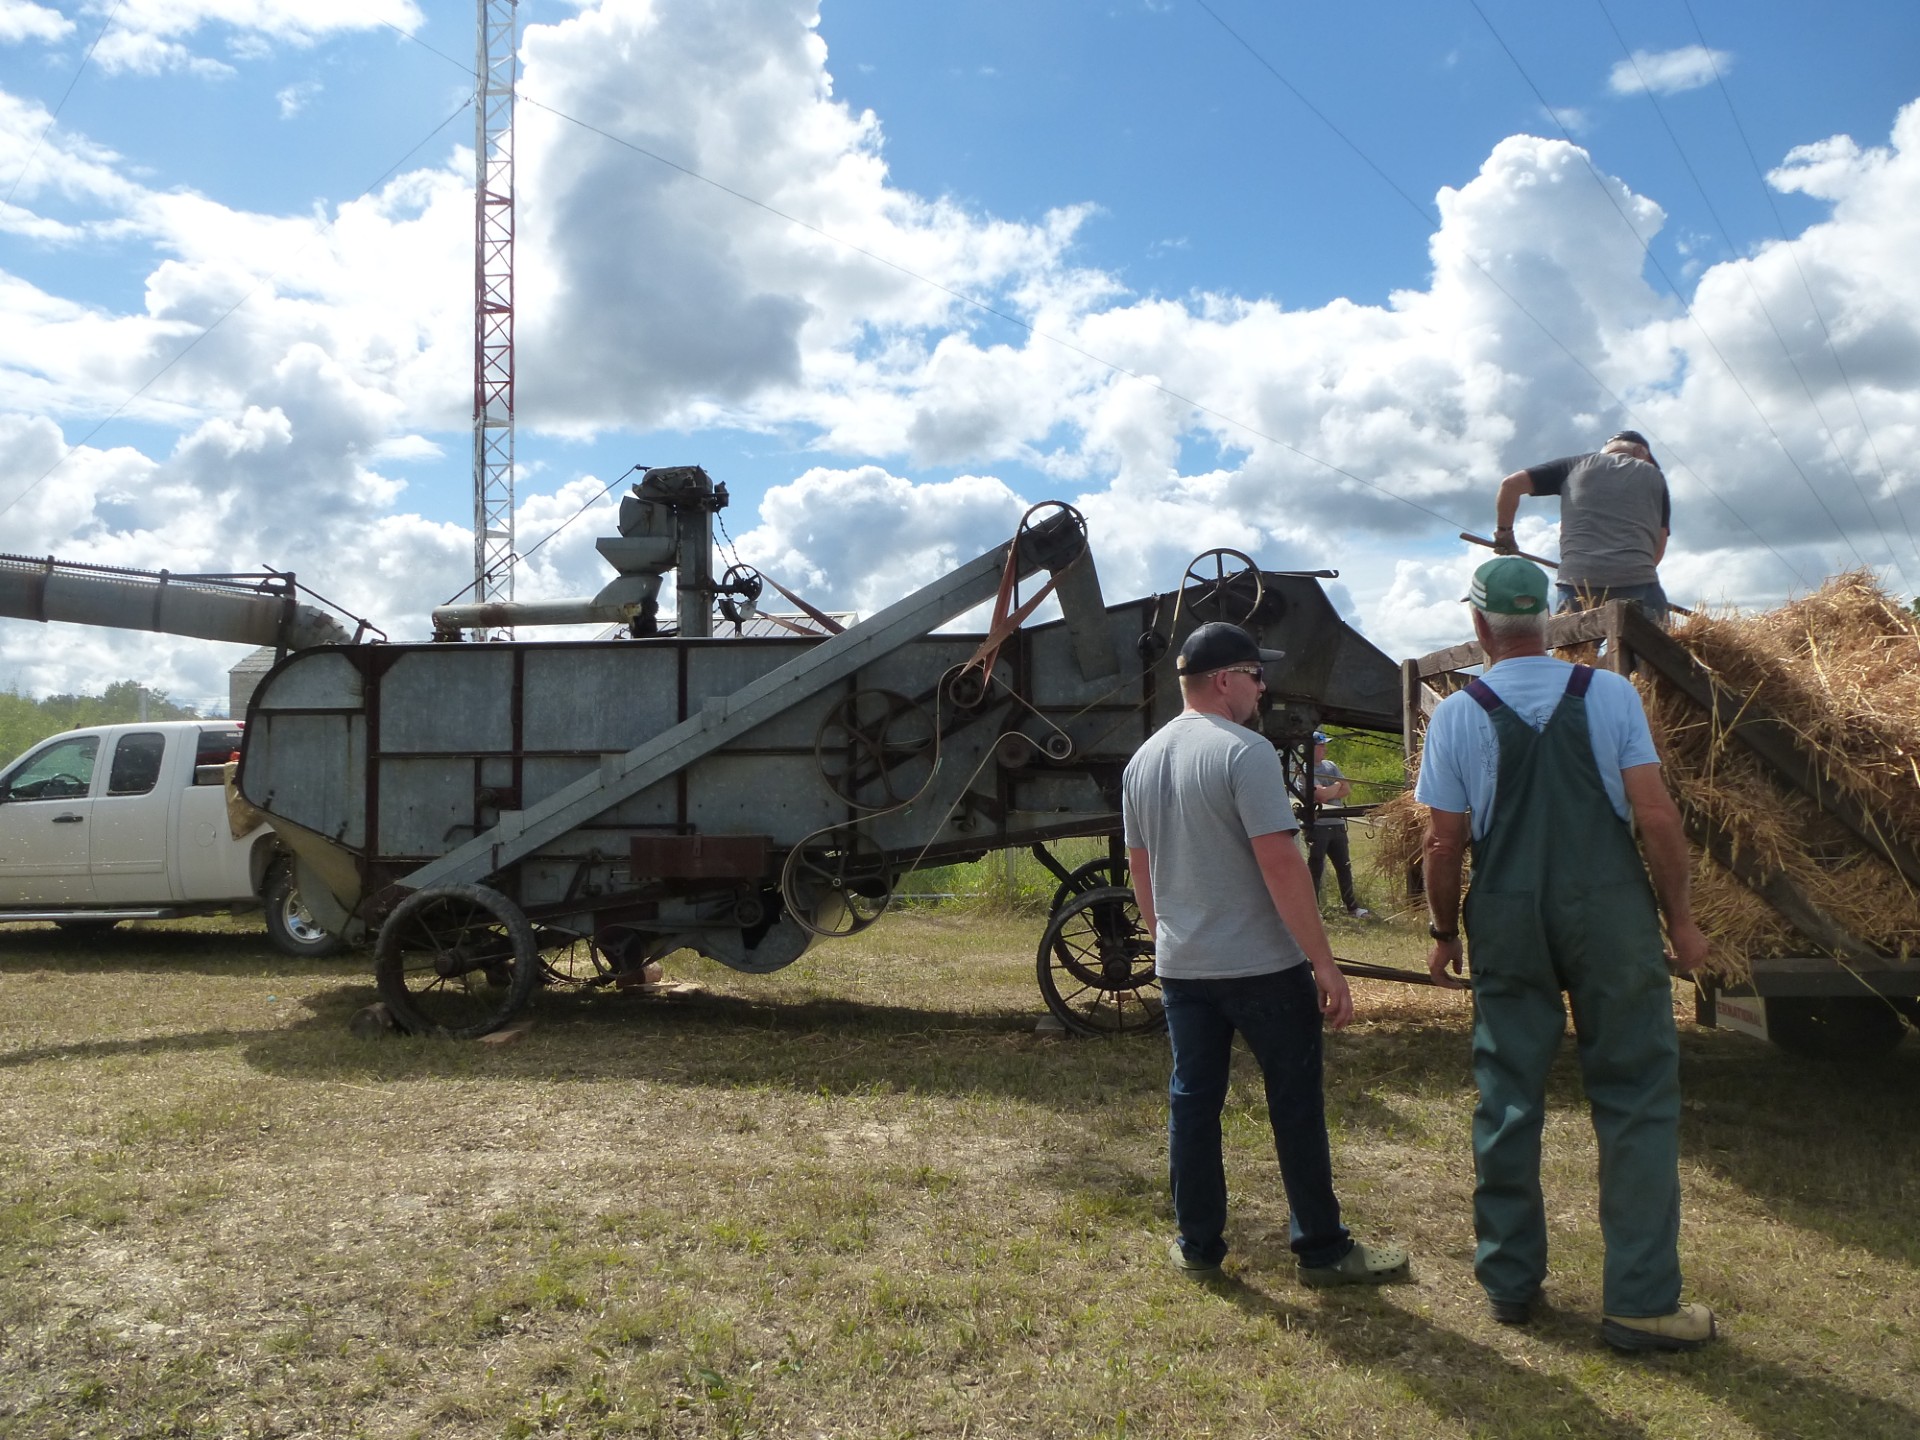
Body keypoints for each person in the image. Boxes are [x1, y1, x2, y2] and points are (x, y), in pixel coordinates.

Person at [1416, 556, 1715, 1351]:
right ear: (1547, 618)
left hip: (1509, 916)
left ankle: (1511, 1284)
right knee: (1638, 1094)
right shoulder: (1609, 694)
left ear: (1480, 627)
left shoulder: (1456, 713)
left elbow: (1443, 845)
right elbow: (1655, 818)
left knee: (1508, 1095)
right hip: (1611, 914)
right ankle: (1643, 1301)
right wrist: (1681, 921)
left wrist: (1444, 931)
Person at [1123, 620, 1409, 1287]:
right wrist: (1325, 962)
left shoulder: (1142, 761)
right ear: (1224, 681)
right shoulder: (1244, 752)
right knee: (1294, 1102)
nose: (1262, 686)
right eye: (1256, 674)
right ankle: (1321, 1248)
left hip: (1184, 967)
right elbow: (1281, 863)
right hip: (1261, 966)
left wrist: (1170, 936)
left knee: (1192, 1102)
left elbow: (1142, 873)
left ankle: (1197, 1244)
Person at [1492, 430, 1671, 620]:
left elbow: (1509, 485)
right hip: (1639, 580)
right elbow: (1659, 545)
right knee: (1654, 648)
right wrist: (1630, 572)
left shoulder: (1575, 465)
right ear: (1640, 451)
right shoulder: (1655, 476)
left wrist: (1505, 534)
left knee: (1575, 649)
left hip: (1577, 582)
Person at [1305, 730, 1372, 919]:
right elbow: (1321, 795)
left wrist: (1330, 789)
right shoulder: (1305, 769)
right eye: (1321, 745)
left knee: (1344, 866)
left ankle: (1352, 907)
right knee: (1316, 868)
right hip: (1318, 827)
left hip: (1337, 825)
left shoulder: (1331, 765)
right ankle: (1313, 909)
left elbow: (1346, 789)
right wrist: (1335, 787)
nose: (1325, 749)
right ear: (1312, 748)